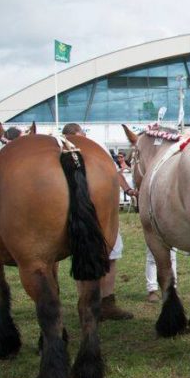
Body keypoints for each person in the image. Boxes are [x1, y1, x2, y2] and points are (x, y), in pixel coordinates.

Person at [62, 123, 136, 319]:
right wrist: (127, 190)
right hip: (93, 209)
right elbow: (113, 173)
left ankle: (95, 302)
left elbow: (114, 173)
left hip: (79, 210)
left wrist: (128, 190)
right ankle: (100, 302)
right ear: (78, 134)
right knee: (106, 253)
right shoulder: (93, 148)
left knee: (91, 253)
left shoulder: (61, 151)